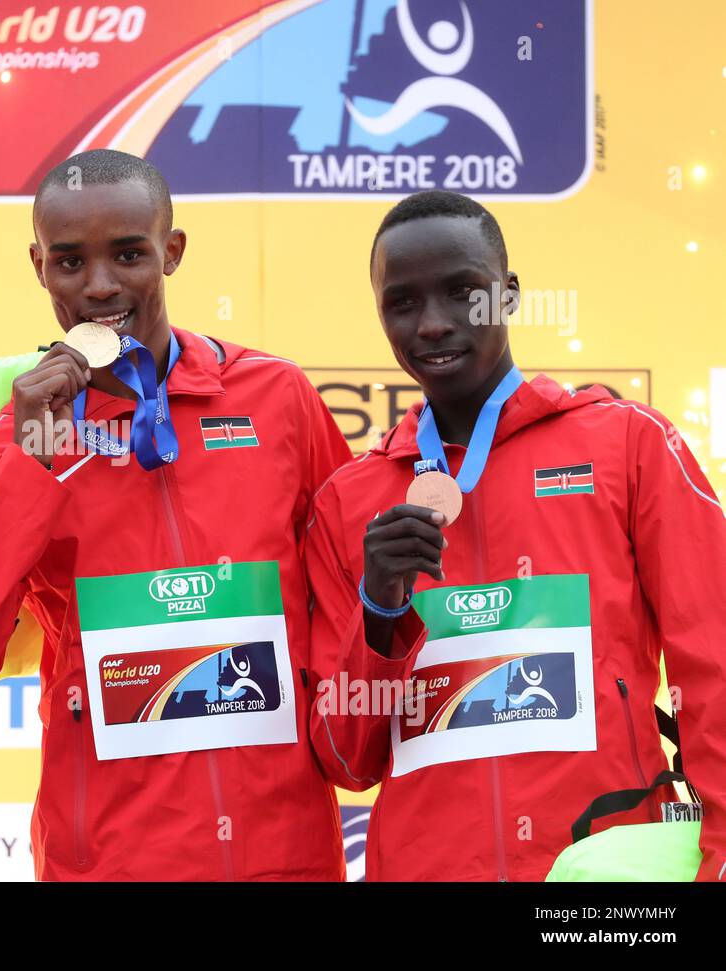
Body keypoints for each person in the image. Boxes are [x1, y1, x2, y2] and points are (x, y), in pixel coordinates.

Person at [0, 149, 353, 880]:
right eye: (71, 262)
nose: (101, 285)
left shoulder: (277, 399)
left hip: (286, 857)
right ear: (38, 266)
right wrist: (31, 462)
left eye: (130, 254)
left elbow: (354, 606)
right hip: (107, 862)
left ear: (171, 252)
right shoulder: (1, 452)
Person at [306, 189, 726, 881]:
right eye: (402, 302)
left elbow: (711, 664)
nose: (434, 324)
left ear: (510, 294)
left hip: (604, 875)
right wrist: (379, 611)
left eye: (463, 293)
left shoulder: (627, 446)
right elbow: (347, 762)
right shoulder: (349, 501)